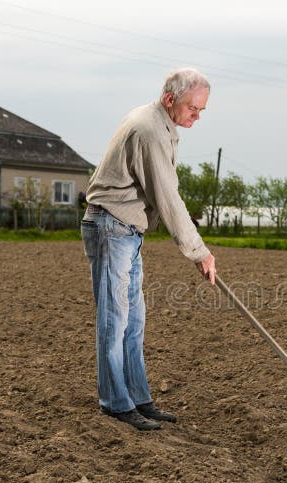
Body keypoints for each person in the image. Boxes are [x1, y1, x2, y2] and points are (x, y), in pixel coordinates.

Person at [81, 68, 216, 431]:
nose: (197, 116)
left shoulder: (163, 126)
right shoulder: (150, 130)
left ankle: (138, 398)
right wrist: (198, 251)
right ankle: (114, 402)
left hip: (127, 230)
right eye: (193, 108)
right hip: (112, 228)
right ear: (170, 98)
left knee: (134, 320)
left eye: (202, 110)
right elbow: (167, 197)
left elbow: (166, 192)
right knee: (115, 318)